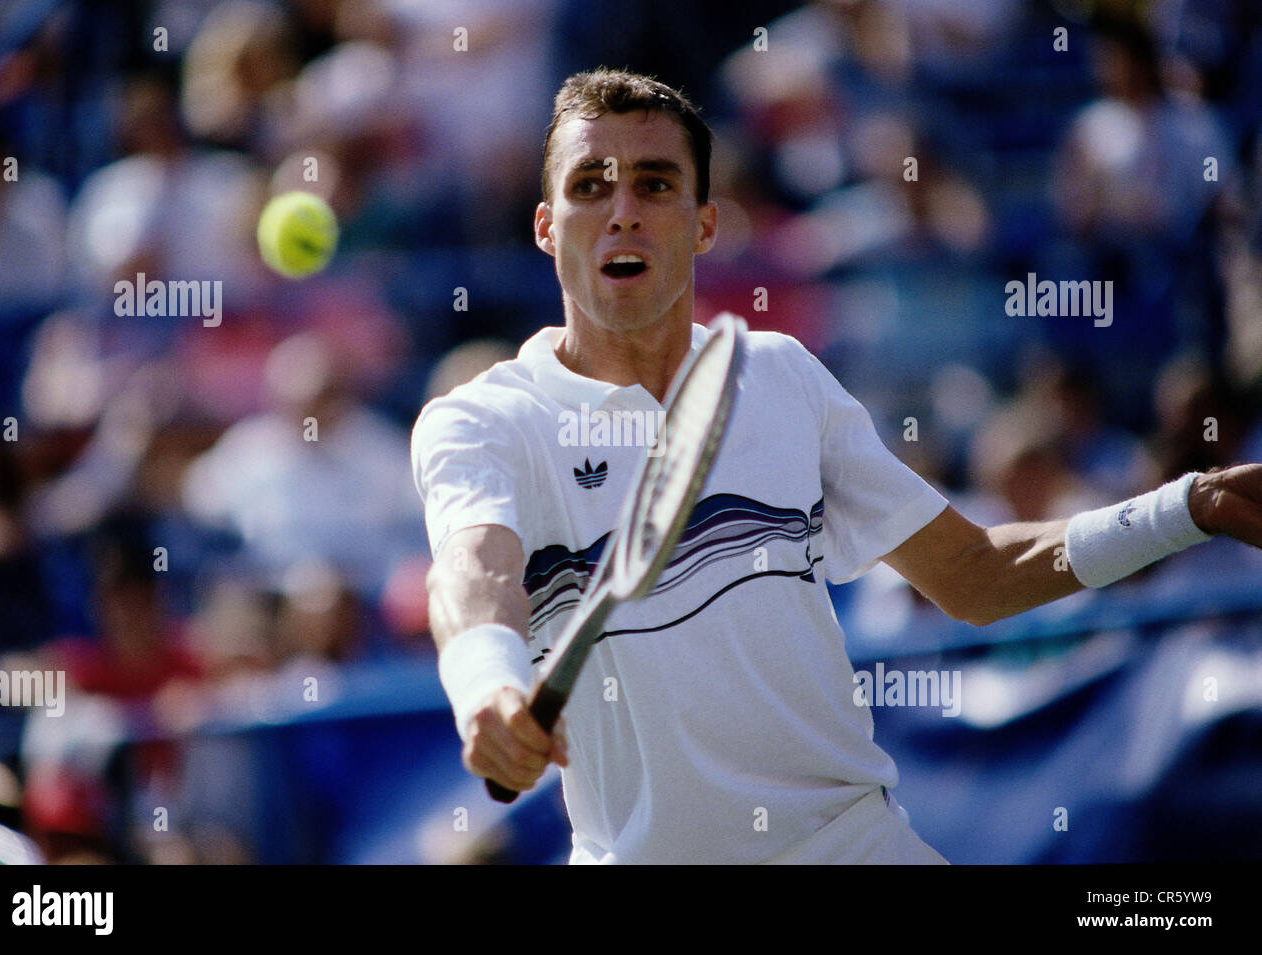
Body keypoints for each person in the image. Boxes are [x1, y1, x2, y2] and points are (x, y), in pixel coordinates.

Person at [411, 68, 1262, 864]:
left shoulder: (779, 375)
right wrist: (486, 683)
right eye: (590, 185)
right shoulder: (482, 420)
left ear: (706, 222)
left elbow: (974, 573)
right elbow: (472, 571)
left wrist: (1194, 506)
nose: (622, 210)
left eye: (656, 183)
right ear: (546, 225)